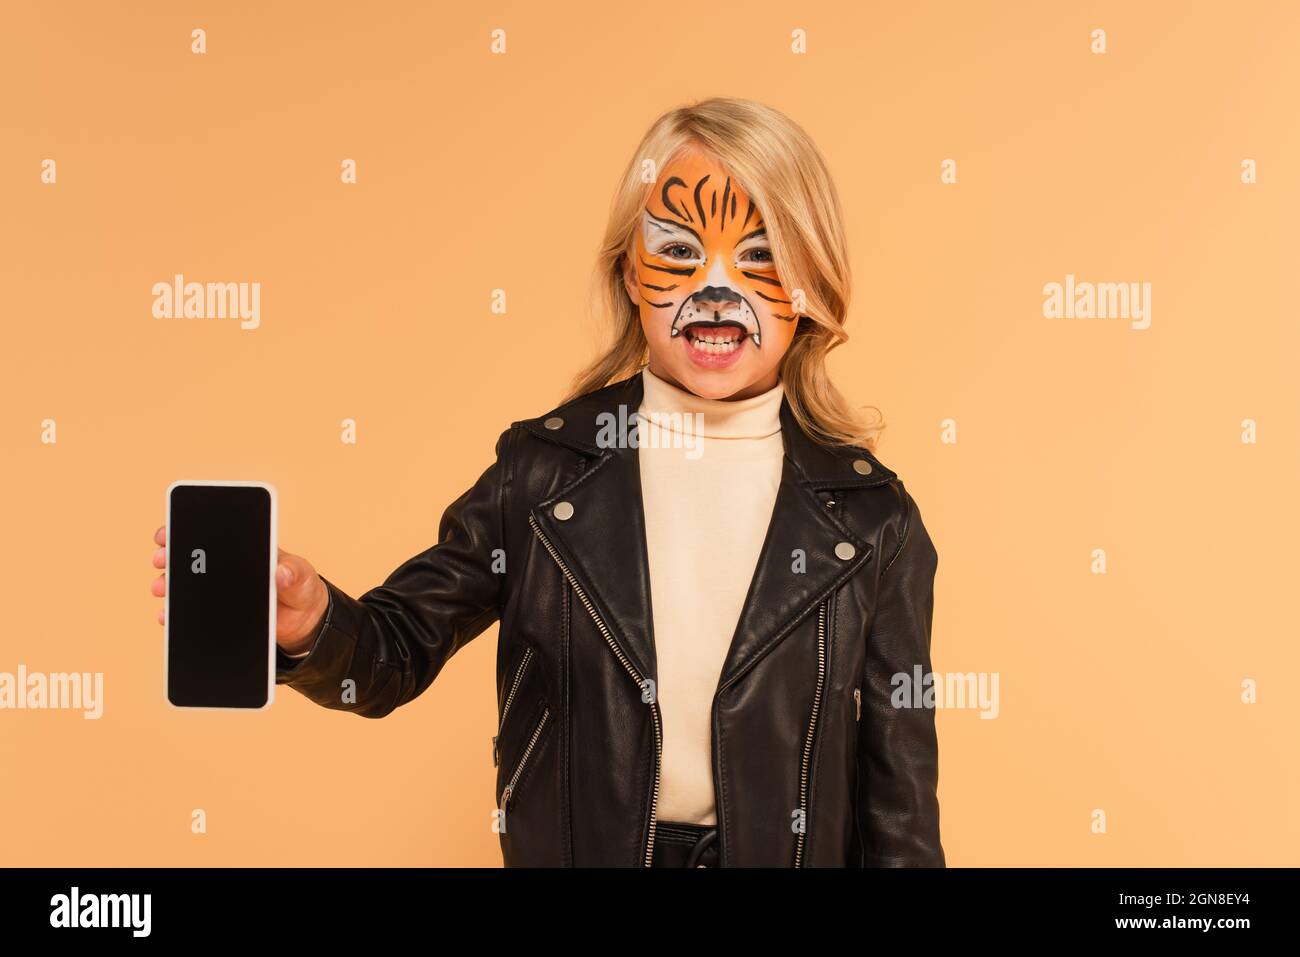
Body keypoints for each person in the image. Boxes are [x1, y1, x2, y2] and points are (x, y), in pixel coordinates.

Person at [150, 97, 945, 868]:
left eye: (761, 253)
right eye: (676, 248)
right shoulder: (541, 473)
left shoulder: (874, 519)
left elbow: (898, 797)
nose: (716, 287)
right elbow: (392, 653)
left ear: (810, 281)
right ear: (629, 273)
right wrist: (311, 621)